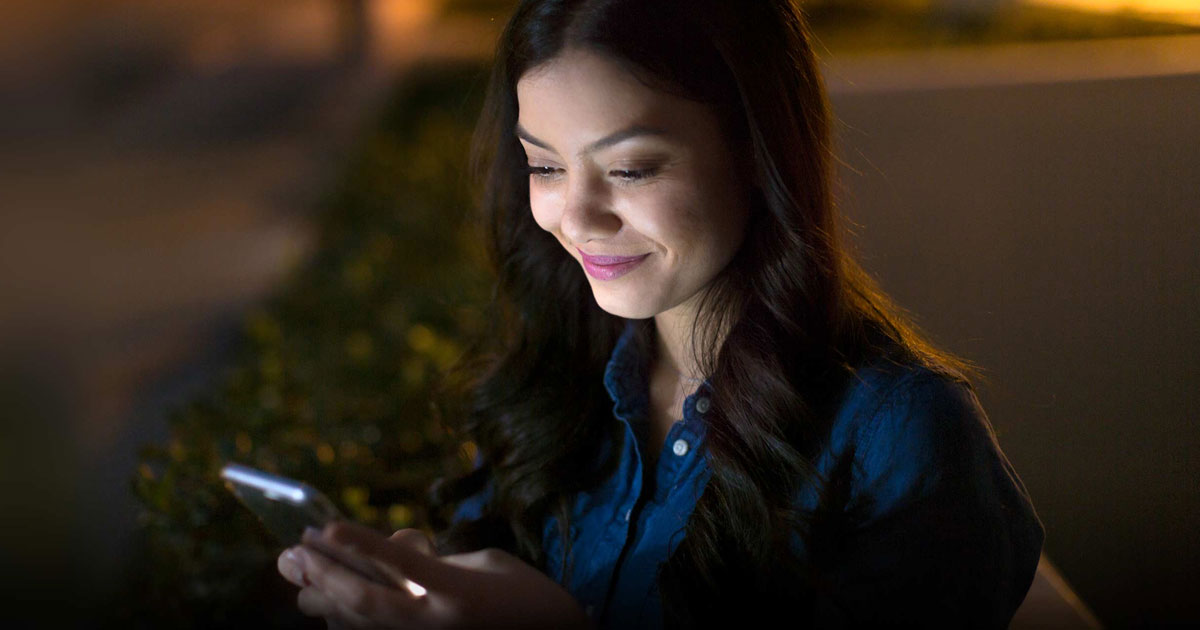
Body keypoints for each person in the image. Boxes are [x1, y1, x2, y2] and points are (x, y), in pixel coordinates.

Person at [276, 0, 1045, 627]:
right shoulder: (554, 386)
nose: (577, 217)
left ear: (757, 152)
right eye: (544, 165)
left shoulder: (899, 433)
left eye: (630, 168)